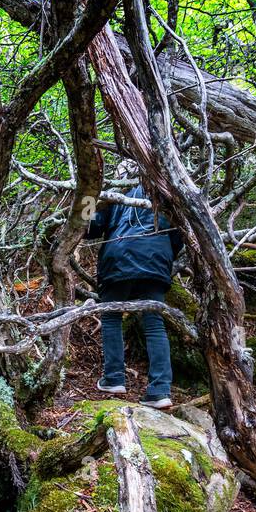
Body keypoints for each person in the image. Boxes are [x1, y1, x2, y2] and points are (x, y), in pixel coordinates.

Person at [86, 172, 183, 409]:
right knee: (154, 323)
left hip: (117, 259)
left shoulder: (113, 197)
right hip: (156, 261)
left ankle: (114, 379)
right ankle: (159, 391)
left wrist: (86, 197)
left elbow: (89, 228)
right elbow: (179, 239)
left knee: (111, 318)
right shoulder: (168, 196)